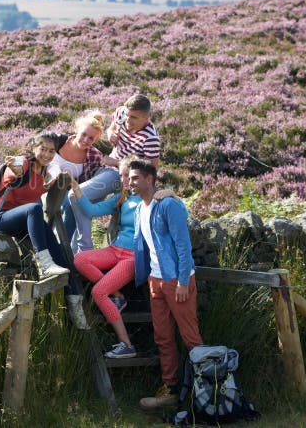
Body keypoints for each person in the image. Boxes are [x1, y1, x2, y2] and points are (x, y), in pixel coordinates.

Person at [71, 156, 175, 359]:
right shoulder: (123, 197)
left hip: (133, 257)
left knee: (99, 292)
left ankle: (126, 344)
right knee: (80, 260)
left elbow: (173, 206)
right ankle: (118, 296)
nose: (125, 179)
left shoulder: (154, 198)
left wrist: (170, 193)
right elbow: (92, 210)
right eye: (121, 175)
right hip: (115, 249)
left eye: (129, 175)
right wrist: (75, 187)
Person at [0, 131, 88, 329]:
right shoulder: (24, 163)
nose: (47, 154)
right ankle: (44, 264)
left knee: (61, 257)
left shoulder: (44, 171)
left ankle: (76, 306)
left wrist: (57, 176)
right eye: (42, 148)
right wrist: (14, 167)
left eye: (51, 151)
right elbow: (16, 165)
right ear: (33, 148)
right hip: (2, 218)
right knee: (35, 209)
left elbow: (53, 174)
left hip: (25, 221)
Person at [128, 158, 202, 410]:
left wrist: (183, 281)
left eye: (135, 178)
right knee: (163, 338)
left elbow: (183, 245)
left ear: (150, 179)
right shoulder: (139, 208)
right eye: (129, 178)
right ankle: (170, 390)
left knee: (190, 337)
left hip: (176, 280)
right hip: (155, 280)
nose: (130, 182)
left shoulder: (169, 205)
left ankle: (202, 392)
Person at [65, 95, 161, 253]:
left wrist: (117, 163)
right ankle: (77, 255)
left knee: (75, 195)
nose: (128, 120)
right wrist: (111, 133)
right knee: (80, 205)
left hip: (120, 175)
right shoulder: (122, 113)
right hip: (105, 169)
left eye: (134, 118)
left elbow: (150, 170)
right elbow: (113, 127)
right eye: (127, 115)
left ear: (146, 117)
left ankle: (84, 249)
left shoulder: (150, 138)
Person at [47, 110, 120, 253]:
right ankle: (64, 250)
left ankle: (66, 251)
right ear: (76, 130)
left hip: (68, 192)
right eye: (84, 135)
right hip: (47, 187)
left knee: (72, 202)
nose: (86, 140)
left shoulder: (93, 155)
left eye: (91, 138)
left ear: (96, 140)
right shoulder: (57, 141)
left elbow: (95, 181)